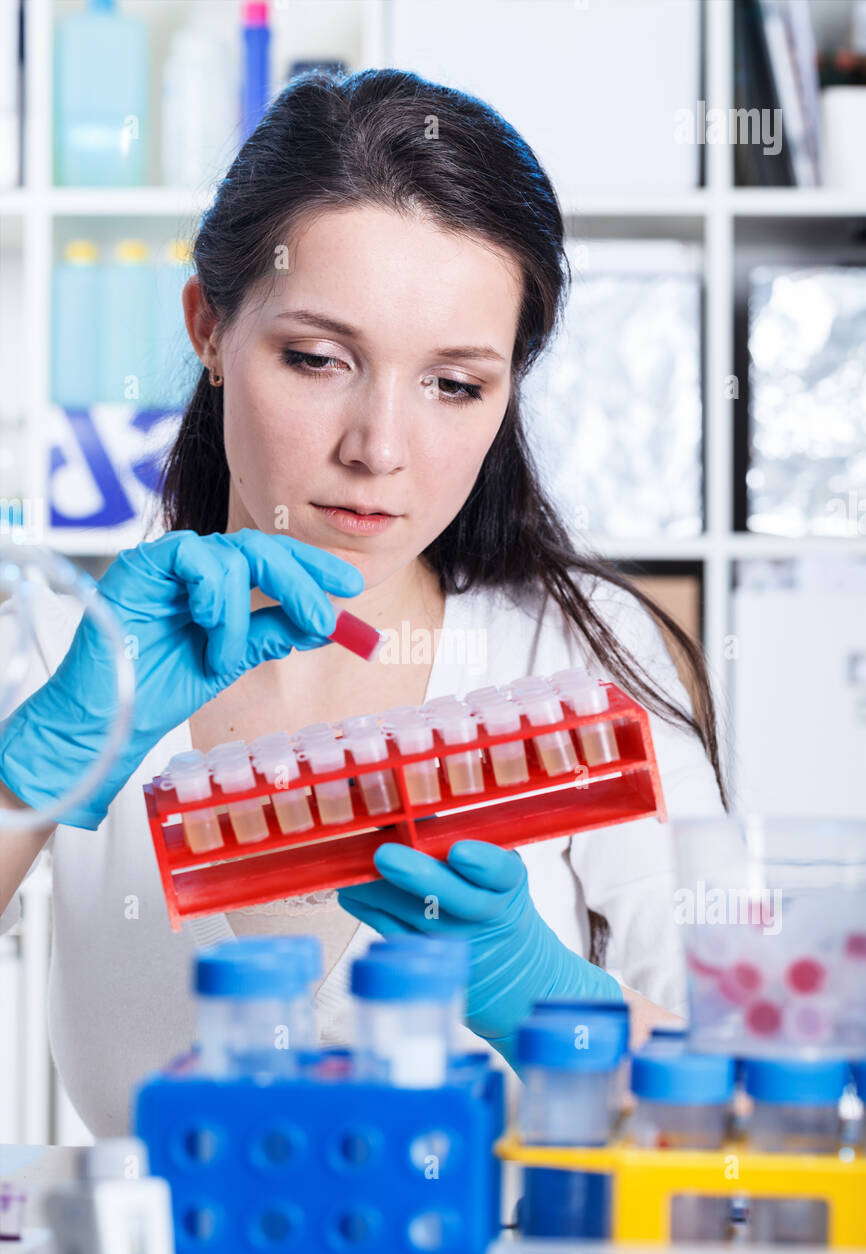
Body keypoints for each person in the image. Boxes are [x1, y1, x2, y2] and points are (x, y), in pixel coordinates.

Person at [0, 69, 727, 1138]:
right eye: (317, 358)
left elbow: (747, 1110)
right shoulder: (61, 648)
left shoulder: (581, 660)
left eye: (453, 383)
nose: (378, 449)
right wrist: (28, 783)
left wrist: (541, 995)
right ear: (208, 327)